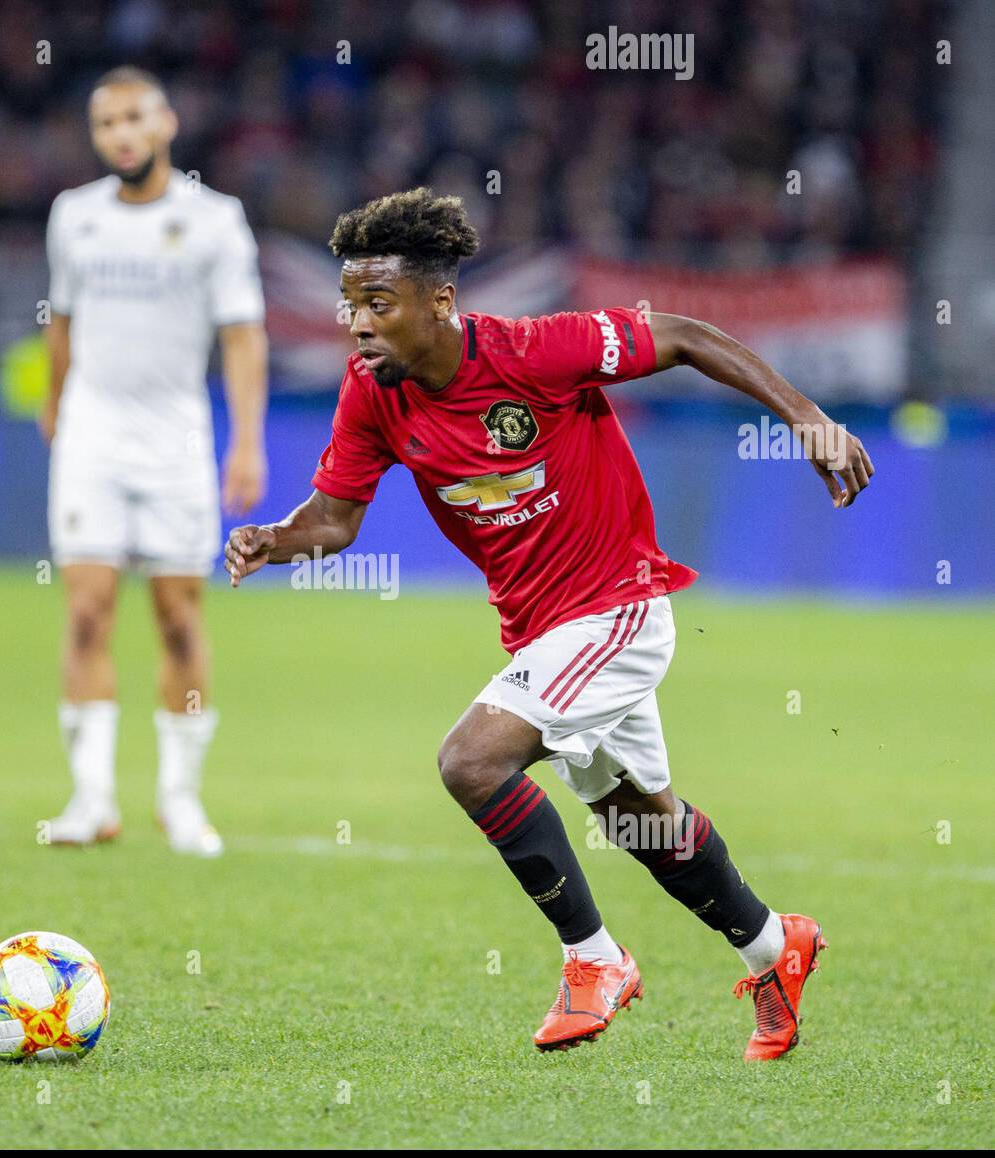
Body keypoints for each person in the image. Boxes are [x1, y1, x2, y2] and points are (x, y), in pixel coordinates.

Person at [224, 188, 874, 1058]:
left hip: (617, 608)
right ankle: (774, 947)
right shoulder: (373, 394)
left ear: (440, 301)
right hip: (542, 632)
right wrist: (277, 539)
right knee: (641, 821)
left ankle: (594, 960)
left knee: (471, 760)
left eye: (378, 304)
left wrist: (809, 419)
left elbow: (684, 335)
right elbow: (336, 522)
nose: (358, 324)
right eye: (350, 305)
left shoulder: (535, 351)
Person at [42, 67, 268, 855]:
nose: (122, 134)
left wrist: (246, 439)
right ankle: (92, 799)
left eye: (135, 117)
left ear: (167, 122)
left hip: (175, 440)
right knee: (85, 610)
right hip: (92, 436)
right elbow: (61, 321)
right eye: (106, 123)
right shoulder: (74, 217)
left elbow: (242, 336)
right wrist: (53, 404)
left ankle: (180, 798)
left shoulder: (215, 221)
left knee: (178, 618)